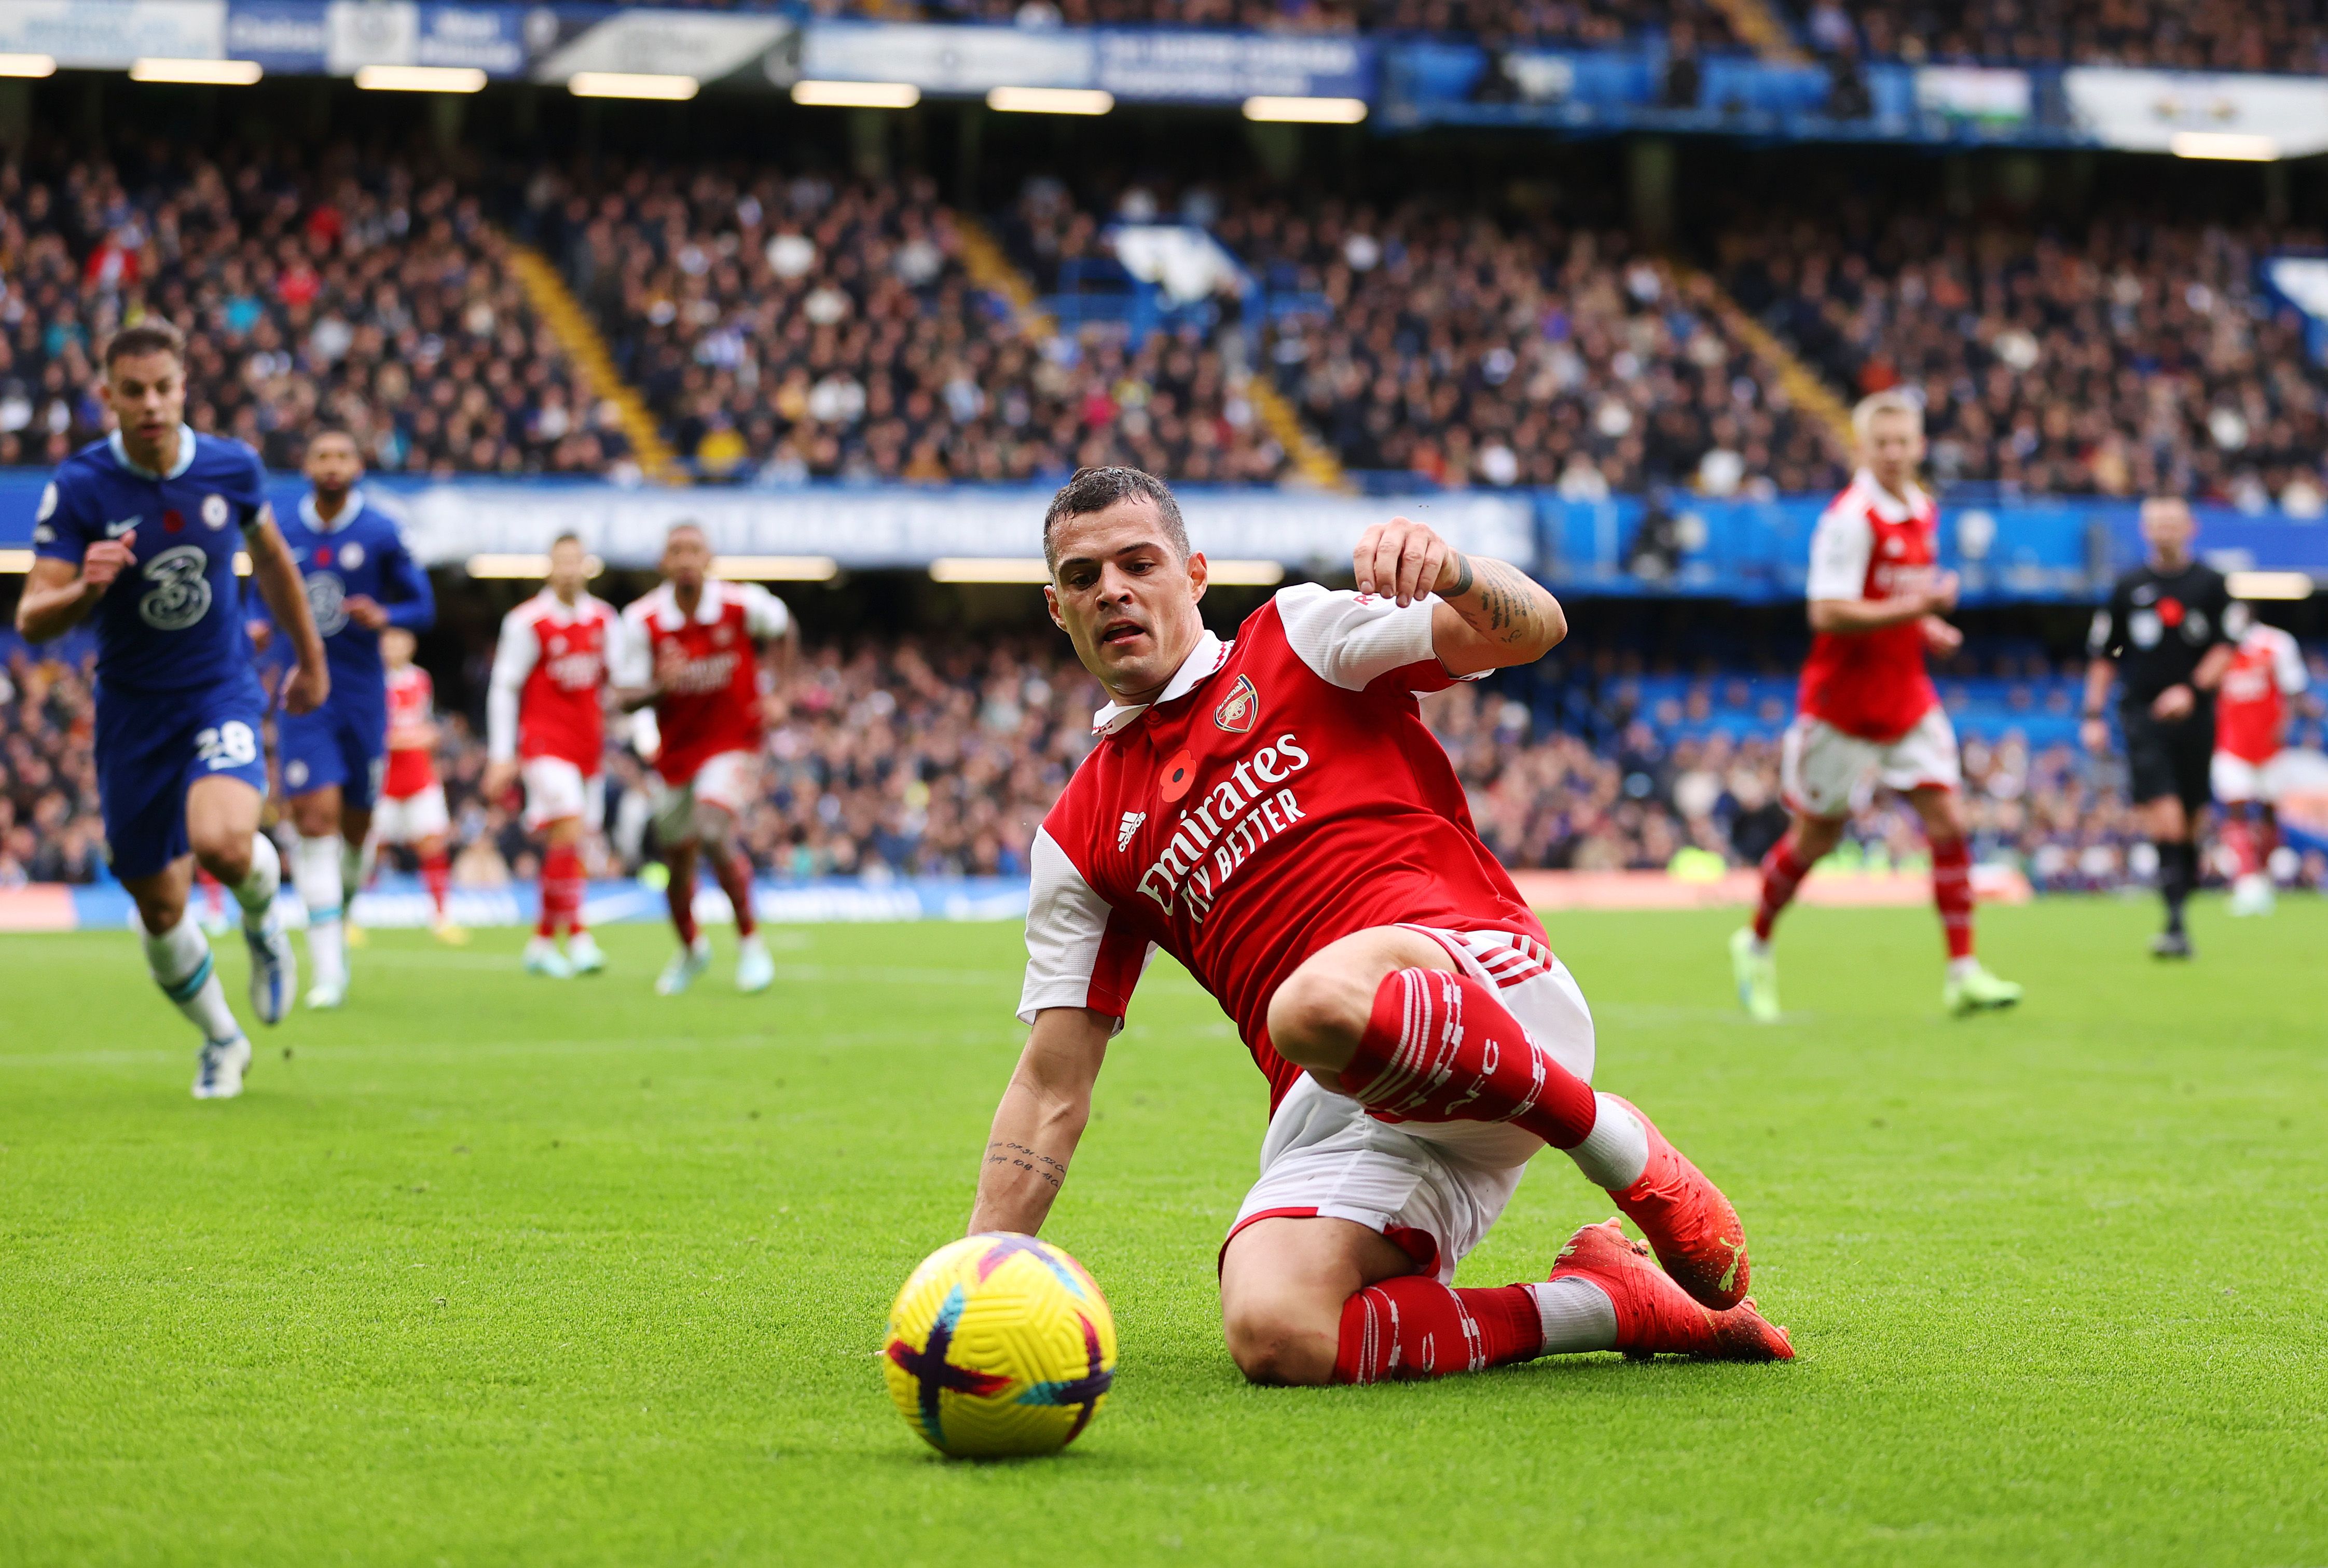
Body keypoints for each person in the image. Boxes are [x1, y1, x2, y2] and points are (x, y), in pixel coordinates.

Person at [969, 467, 1790, 1390]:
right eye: (1082, 577)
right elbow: (1050, 1083)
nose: (1111, 589)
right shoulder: (1078, 839)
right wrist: (974, 1281)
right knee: (1277, 1330)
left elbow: (1533, 628)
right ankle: (1607, 1301)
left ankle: (1612, 1143)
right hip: (1342, 1102)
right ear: (1055, 606)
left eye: (1138, 561)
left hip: (1482, 990)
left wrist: (1456, 573)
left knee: (1311, 1000)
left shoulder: (1298, 638)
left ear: (1194, 574)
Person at [13, 321, 327, 1098]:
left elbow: (279, 566)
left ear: (184, 386)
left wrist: (311, 659)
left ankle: (262, 921)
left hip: (218, 687)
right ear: (108, 396)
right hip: (130, 711)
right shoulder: (82, 485)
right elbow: (31, 617)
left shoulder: (229, 466)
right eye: (134, 391)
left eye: (163, 387)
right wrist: (86, 589)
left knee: (222, 840)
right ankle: (223, 1038)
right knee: (158, 904)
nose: (150, 403)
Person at [1732, 392, 2021, 1020]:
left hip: (1907, 694)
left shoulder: (1922, 509)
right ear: (1862, 448)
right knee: (1815, 837)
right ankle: (1753, 942)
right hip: (1841, 703)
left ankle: (1962, 971)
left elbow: (1892, 599)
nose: (1893, 453)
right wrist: (1919, 611)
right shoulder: (1851, 517)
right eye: (1881, 443)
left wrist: (1922, 631)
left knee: (1947, 821)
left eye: (1903, 442)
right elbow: (1826, 610)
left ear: (1919, 446)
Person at [250, 428, 434, 1008]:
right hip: (304, 691)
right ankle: (327, 968)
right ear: (306, 464)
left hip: (361, 695)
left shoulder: (380, 530)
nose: (332, 465)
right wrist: (257, 623)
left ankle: (340, 911)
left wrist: (385, 613)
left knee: (356, 829)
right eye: (322, 455)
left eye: (343, 456)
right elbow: (257, 593)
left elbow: (422, 605)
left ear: (358, 464)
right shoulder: (280, 527)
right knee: (313, 817)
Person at [614, 522, 796, 996]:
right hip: (676, 753)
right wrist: (659, 686)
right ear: (664, 563)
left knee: (713, 829)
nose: (686, 558)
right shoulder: (642, 620)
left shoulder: (741, 604)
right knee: (676, 862)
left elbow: (785, 628)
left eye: (694, 549)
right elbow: (622, 696)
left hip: (734, 739)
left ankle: (751, 943)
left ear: (710, 558)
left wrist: (783, 691)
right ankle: (692, 949)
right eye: (676, 550)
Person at [2083, 498, 2235, 957]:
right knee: (2163, 812)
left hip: (2196, 717)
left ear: (2190, 527)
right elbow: (2106, 653)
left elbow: (2226, 646)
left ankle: (2178, 907)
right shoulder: (2129, 587)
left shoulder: (2211, 584)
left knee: (2190, 818)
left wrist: (2190, 690)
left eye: (2172, 522)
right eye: (2156, 523)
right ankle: (2173, 925)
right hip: (2143, 715)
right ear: (2145, 530)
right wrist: (2092, 714)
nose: (2164, 530)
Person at [484, 534, 619, 978]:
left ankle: (542, 941)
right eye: (559, 561)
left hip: (588, 746)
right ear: (549, 567)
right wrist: (502, 754)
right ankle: (578, 935)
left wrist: (643, 732)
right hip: (543, 744)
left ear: (586, 567)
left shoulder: (604, 619)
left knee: (570, 839)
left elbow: (618, 684)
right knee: (571, 823)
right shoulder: (528, 621)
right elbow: (505, 685)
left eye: (574, 561)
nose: (567, 570)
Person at [2211, 607, 2309, 918]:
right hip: (2230, 744)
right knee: (2235, 809)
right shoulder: (2218, 649)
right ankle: (2246, 882)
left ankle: (2263, 879)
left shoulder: (2277, 644)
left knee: (2269, 812)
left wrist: (2285, 725)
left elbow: (2294, 689)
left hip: (2270, 745)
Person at [372, 626, 464, 942]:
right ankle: (348, 918)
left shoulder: (421, 679)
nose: (395, 646)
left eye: (401, 639)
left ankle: (441, 917)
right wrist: (407, 739)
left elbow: (424, 725)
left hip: (420, 776)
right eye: (389, 640)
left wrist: (427, 737)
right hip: (383, 780)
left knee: (433, 844)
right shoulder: (370, 679)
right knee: (370, 849)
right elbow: (375, 734)